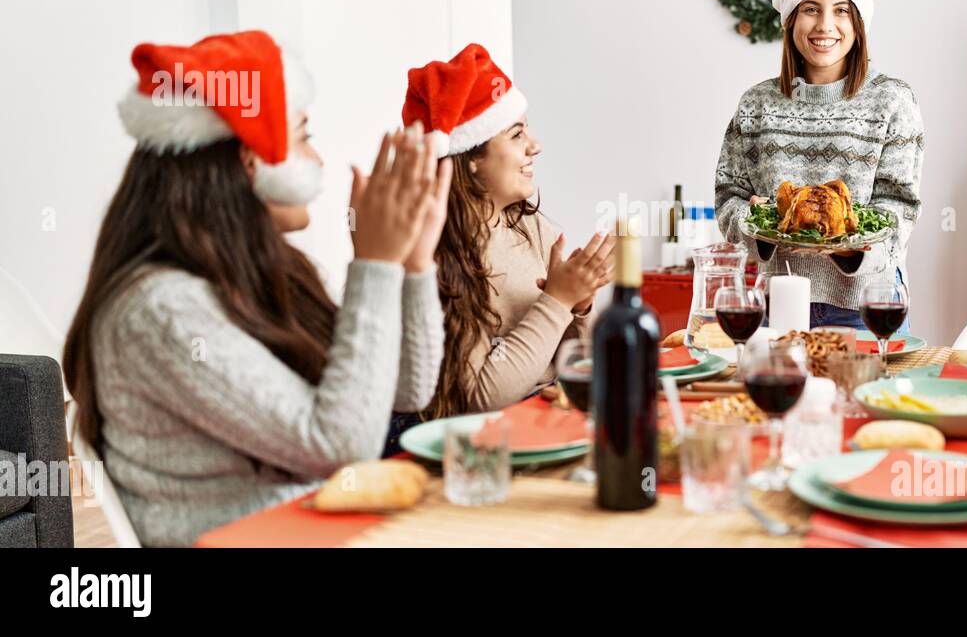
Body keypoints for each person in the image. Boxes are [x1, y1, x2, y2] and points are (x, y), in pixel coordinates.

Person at [62, 30, 451, 546]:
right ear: (252, 160)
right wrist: (375, 267)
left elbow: (403, 389)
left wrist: (414, 264)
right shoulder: (160, 310)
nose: (318, 159)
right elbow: (341, 444)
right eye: (303, 135)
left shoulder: (262, 271)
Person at [394, 43, 612, 423]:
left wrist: (580, 306)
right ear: (472, 158)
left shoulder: (531, 228)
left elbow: (579, 368)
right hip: (473, 447)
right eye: (516, 135)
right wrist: (557, 302)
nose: (536, 146)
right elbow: (481, 398)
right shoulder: (432, 253)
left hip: (540, 427)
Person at [714, 0, 923, 330]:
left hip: (867, 304)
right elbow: (728, 198)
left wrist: (850, 250)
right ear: (792, 18)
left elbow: (901, 208)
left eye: (841, 10)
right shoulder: (756, 104)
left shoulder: (893, 100)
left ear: (858, 24)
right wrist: (757, 223)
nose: (825, 25)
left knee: (866, 394)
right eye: (811, 8)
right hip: (776, 301)